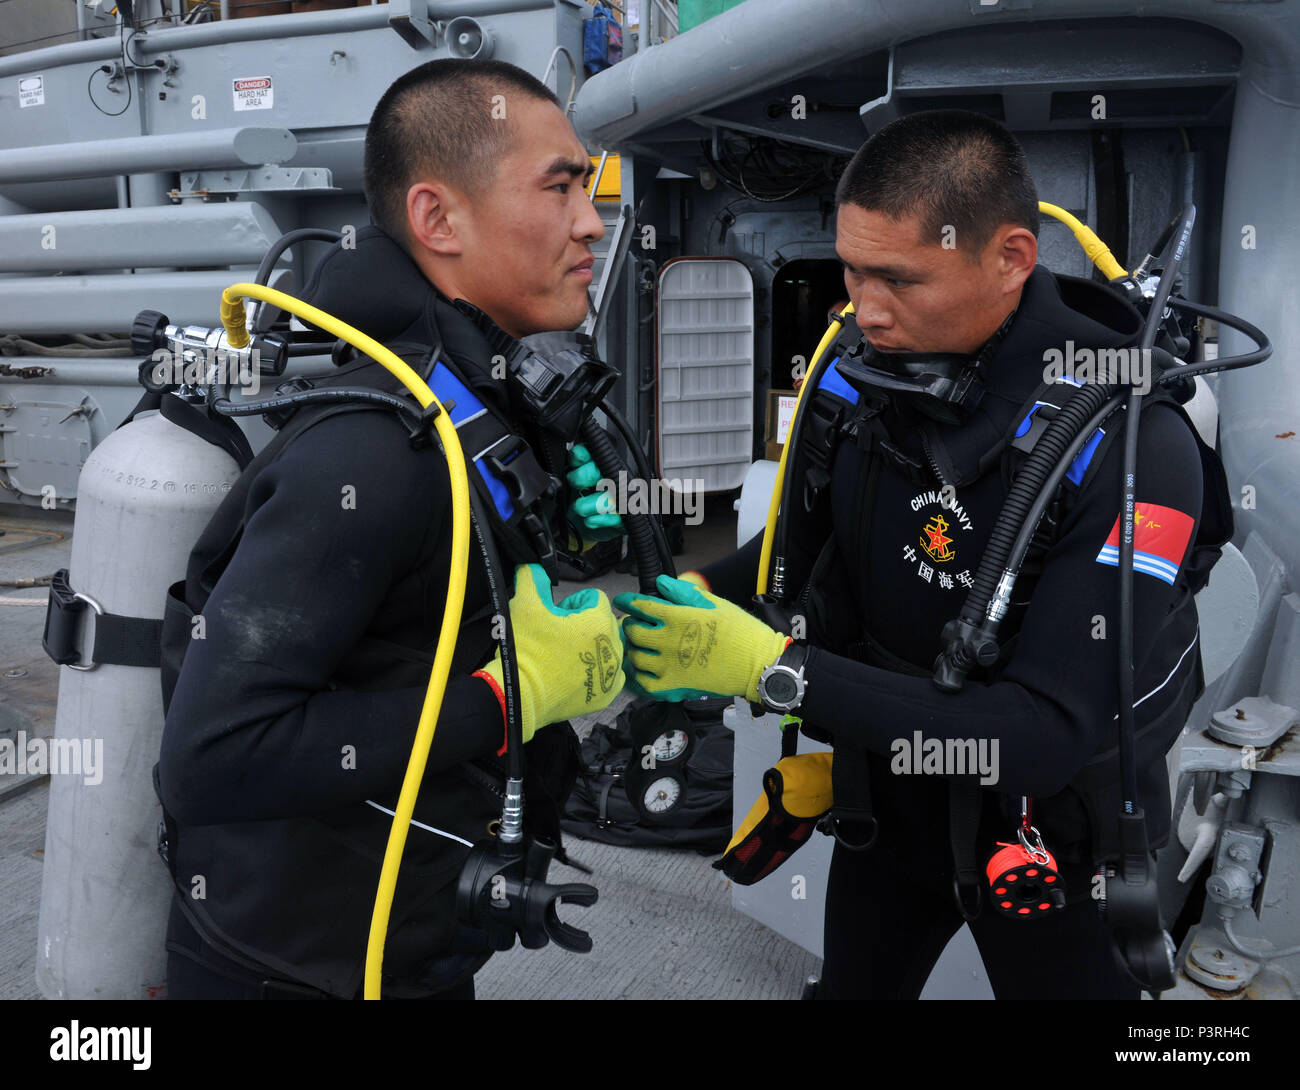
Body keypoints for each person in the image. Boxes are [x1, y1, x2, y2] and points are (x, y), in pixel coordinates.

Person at [617, 110, 1221, 999]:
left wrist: (777, 672)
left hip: (1043, 834)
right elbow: (791, 559)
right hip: (886, 802)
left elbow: (1042, 737)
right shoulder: (859, 383)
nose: (866, 309)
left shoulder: (1138, 447)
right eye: (852, 271)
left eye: (898, 278)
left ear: (1012, 257)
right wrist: (684, 598)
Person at [158, 58, 626, 1000]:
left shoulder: (469, 404)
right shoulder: (374, 452)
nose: (591, 220)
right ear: (436, 219)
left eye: (590, 186)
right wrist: (503, 703)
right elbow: (212, 758)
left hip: (404, 942)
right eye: (561, 186)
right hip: (295, 973)